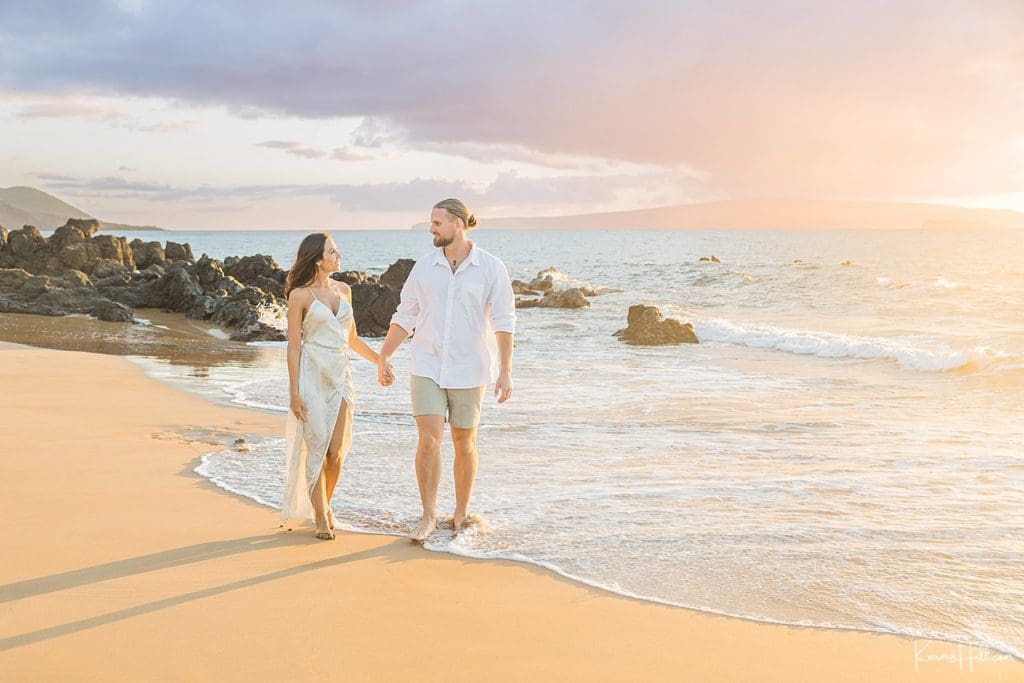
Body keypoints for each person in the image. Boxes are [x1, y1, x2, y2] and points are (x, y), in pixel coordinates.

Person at [377, 198, 516, 541]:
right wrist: (384, 355)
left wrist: (505, 370)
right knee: (428, 439)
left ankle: (460, 513)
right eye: (431, 222)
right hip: (426, 363)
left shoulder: (491, 267)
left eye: (437, 223)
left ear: (458, 223)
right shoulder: (424, 267)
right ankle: (427, 515)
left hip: (471, 367)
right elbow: (405, 314)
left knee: (463, 441)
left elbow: (503, 320)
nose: (431, 229)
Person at [282, 232, 392, 540]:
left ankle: (326, 503)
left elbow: (352, 338)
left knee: (336, 453)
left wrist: (380, 361)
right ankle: (320, 515)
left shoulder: (344, 290)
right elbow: (293, 346)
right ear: (318, 259)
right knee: (317, 446)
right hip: (312, 376)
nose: (338, 255)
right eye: (332, 251)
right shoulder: (299, 296)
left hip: (341, 376)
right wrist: (294, 392)